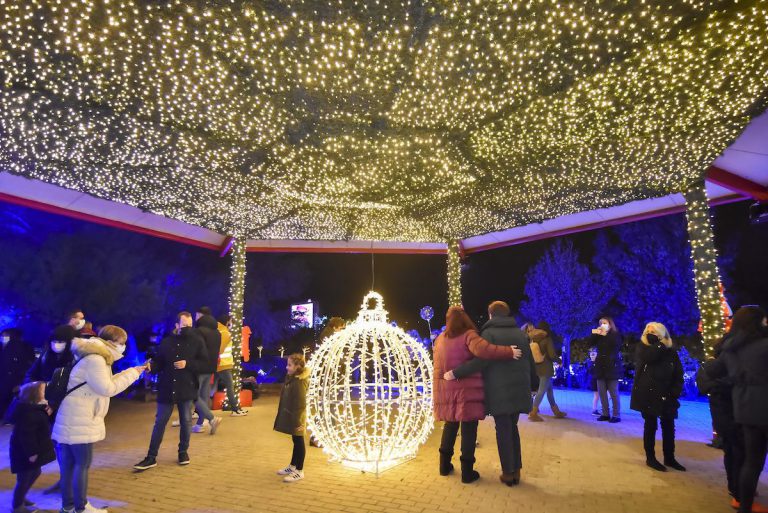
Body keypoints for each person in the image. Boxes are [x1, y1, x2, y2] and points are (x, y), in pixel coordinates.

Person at [52, 326, 146, 513]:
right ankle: (80, 507)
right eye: (122, 343)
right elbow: (108, 389)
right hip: (80, 419)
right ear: (111, 342)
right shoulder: (96, 359)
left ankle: (68, 506)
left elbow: (104, 383)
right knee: (82, 464)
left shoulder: (95, 356)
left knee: (70, 466)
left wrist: (131, 371)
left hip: (73, 416)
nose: (124, 347)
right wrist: (134, 374)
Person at [447, 301, 532, 486]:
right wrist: (532, 385)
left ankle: (508, 474)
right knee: (513, 427)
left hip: (499, 390)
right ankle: (516, 469)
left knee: (503, 430)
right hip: (519, 389)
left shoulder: (488, 333)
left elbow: (481, 362)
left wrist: (455, 373)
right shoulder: (520, 333)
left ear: (490, 314)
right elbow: (529, 362)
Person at [704, 306, 768, 513]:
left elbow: (712, 370)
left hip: (744, 409)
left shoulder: (731, 348)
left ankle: (744, 506)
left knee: (751, 460)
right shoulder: (764, 345)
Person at [134, 312, 208, 471]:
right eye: (184, 324)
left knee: (186, 422)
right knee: (159, 423)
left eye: (190, 325)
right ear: (177, 325)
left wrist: (187, 364)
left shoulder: (197, 341)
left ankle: (183, 452)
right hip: (167, 387)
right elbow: (160, 362)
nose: (187, 328)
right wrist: (151, 367)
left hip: (186, 387)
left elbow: (205, 364)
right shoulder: (167, 342)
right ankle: (151, 456)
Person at [701, 337, 756, 510]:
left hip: (725, 415)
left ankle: (736, 488)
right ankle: (738, 491)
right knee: (738, 452)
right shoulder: (721, 368)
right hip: (729, 414)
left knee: (733, 451)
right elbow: (706, 385)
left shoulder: (718, 366)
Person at [629, 322, 685, 472]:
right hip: (648, 393)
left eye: (654, 331)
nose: (650, 333)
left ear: (662, 333)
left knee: (669, 426)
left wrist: (675, 391)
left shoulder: (670, 351)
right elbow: (649, 358)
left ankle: (670, 457)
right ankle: (651, 458)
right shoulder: (643, 348)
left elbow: (678, 373)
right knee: (650, 425)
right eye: (648, 330)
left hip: (667, 395)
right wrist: (659, 345)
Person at [8, 381, 56, 513]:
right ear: (34, 395)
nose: (44, 393)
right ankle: (17, 506)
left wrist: (47, 413)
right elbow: (26, 435)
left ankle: (21, 498)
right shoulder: (28, 413)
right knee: (25, 477)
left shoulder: (34, 408)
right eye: (42, 391)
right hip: (25, 452)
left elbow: (42, 424)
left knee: (33, 473)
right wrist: (32, 453)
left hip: (28, 450)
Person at [274, 353, 310, 483]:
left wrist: (297, 419)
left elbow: (301, 402)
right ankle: (293, 466)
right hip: (293, 415)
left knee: (299, 441)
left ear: (297, 367)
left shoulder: (299, 381)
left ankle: (299, 470)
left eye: (289, 365)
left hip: (298, 417)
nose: (286, 367)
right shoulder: (292, 378)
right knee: (295, 440)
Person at [525, 322, 567, 422]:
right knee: (541, 391)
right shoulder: (547, 339)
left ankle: (556, 412)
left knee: (549, 390)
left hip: (538, 367)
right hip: (546, 368)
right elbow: (552, 355)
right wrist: (559, 361)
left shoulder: (534, 338)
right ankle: (533, 413)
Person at [192, 313, 223, 434]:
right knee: (204, 397)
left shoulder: (198, 331)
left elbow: (195, 349)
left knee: (193, 395)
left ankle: (211, 418)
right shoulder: (217, 333)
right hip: (211, 369)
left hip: (199, 368)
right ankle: (200, 424)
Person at [589, 317, 623, 423]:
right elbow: (590, 342)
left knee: (613, 392)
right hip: (600, 367)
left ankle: (616, 415)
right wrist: (596, 333)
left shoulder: (615, 334)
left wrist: (607, 333)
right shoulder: (599, 335)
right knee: (602, 392)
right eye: (601, 323)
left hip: (612, 367)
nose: (602, 324)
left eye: (605, 323)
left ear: (610, 324)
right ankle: (605, 414)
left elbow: (616, 345)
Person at [213, 314, 247, 417]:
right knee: (230, 387)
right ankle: (235, 410)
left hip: (218, 364)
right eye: (231, 322)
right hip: (224, 365)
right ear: (227, 322)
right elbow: (220, 349)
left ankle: (197, 411)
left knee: (208, 389)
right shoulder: (225, 333)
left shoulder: (217, 331)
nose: (231, 324)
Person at [1, 327, 37, 421]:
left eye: (6, 335)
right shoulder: (3, 347)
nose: (3, 337)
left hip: (12, 381)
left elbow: (25, 366)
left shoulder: (21, 348)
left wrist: (19, 382)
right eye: (3, 335)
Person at [585, 347, 600, 415]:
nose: (592, 354)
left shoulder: (592, 362)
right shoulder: (590, 362)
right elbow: (590, 371)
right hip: (595, 381)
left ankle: (596, 409)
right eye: (591, 353)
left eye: (594, 352)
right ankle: (594, 410)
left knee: (598, 396)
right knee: (597, 396)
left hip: (597, 380)